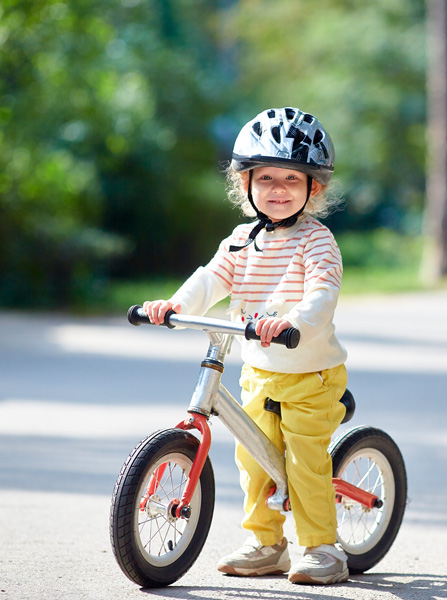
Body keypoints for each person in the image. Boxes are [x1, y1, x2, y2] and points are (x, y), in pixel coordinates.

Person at [140, 107, 351, 585]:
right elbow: (211, 278)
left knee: (303, 462)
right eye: (267, 178)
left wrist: (292, 322)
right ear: (246, 184)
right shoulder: (241, 240)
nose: (278, 189)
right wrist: (172, 304)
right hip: (258, 370)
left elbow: (323, 292)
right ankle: (267, 542)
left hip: (310, 374)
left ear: (312, 188)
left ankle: (321, 547)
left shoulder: (316, 241)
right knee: (254, 458)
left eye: (292, 180)